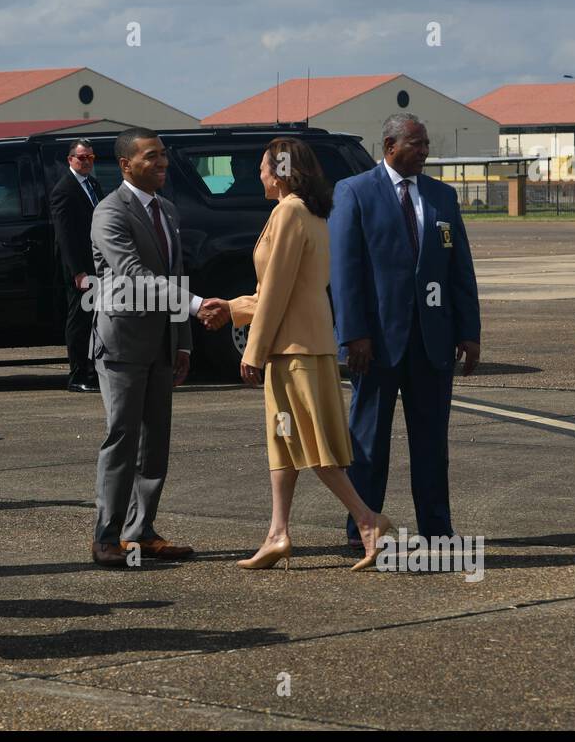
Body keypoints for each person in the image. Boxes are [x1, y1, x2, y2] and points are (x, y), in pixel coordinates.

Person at [201, 139, 393, 570]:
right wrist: (232, 308)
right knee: (284, 443)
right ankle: (278, 533)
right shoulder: (309, 212)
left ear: (282, 170)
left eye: (265, 167)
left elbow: (277, 292)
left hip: (295, 353)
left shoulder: (289, 212)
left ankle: (367, 521)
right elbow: (277, 289)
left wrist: (253, 348)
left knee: (310, 443)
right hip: (301, 347)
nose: (260, 174)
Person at [329, 113, 481, 549]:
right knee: (368, 443)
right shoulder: (355, 192)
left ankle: (437, 530)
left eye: (427, 143)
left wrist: (469, 332)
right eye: (417, 144)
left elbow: (460, 270)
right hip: (375, 344)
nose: (425, 151)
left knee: (432, 445)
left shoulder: (442, 197)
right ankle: (363, 529)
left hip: (433, 343)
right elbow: (345, 272)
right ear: (390, 146)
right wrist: (353, 334)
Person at [87, 127, 225, 567]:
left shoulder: (166, 209)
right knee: (122, 438)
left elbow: (175, 270)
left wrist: (183, 341)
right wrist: (199, 306)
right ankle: (106, 537)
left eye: (163, 155)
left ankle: (141, 531)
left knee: (155, 443)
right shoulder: (110, 212)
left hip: (163, 343)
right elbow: (131, 275)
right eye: (152, 156)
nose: (162, 163)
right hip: (123, 344)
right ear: (127, 164)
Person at [50, 139, 104, 392]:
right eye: (82, 158)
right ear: (70, 159)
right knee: (79, 320)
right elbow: (65, 235)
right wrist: (78, 271)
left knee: (96, 319)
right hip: (80, 267)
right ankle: (78, 374)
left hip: (98, 263)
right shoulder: (64, 190)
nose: (86, 162)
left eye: (90, 158)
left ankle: (93, 370)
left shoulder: (92, 184)